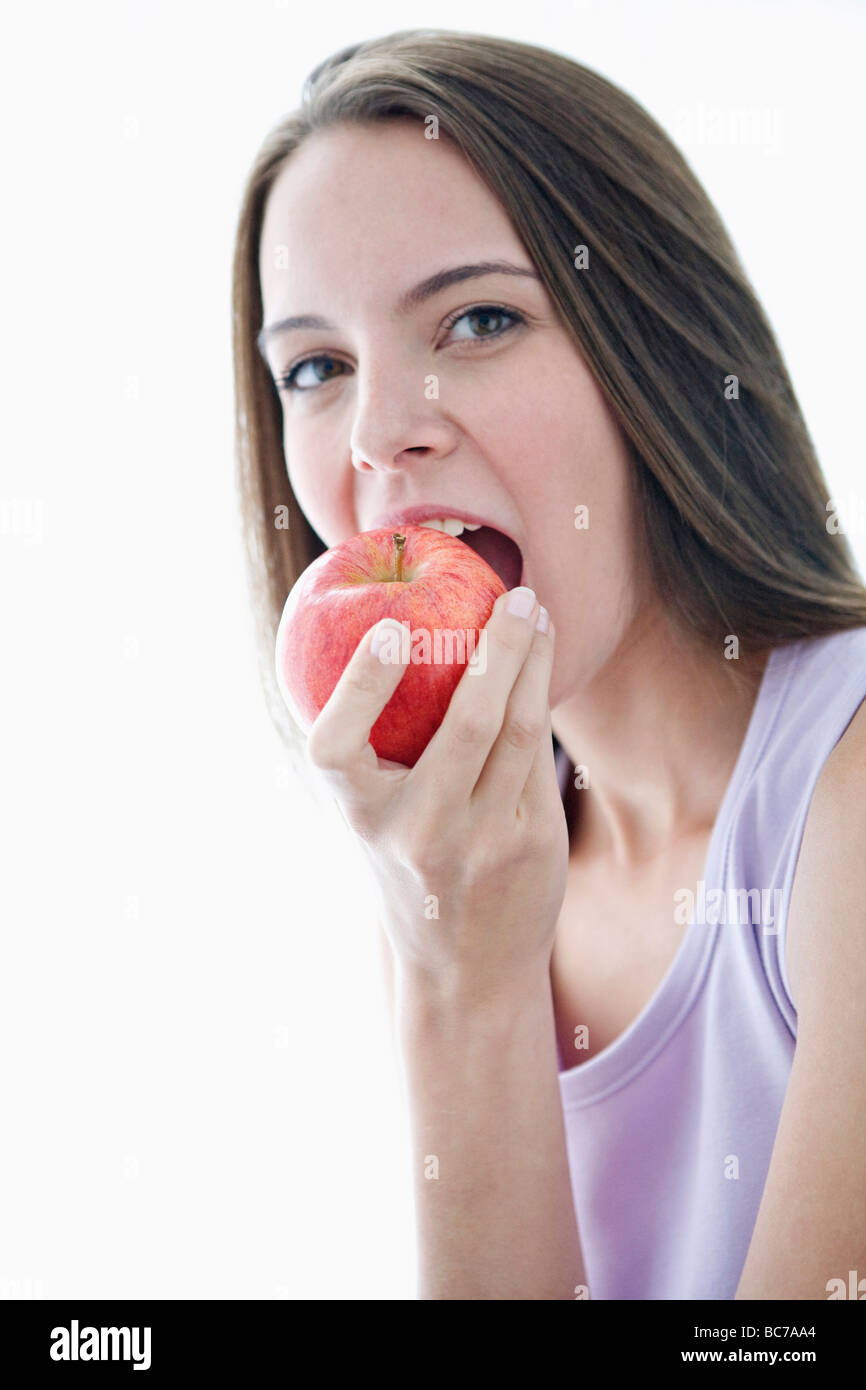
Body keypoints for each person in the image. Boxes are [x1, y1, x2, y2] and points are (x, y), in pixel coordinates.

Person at [231, 29, 866, 1299]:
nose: (378, 435)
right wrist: (455, 977)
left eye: (476, 319)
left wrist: (459, 980)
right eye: (315, 367)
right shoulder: (475, 875)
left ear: (659, 359)